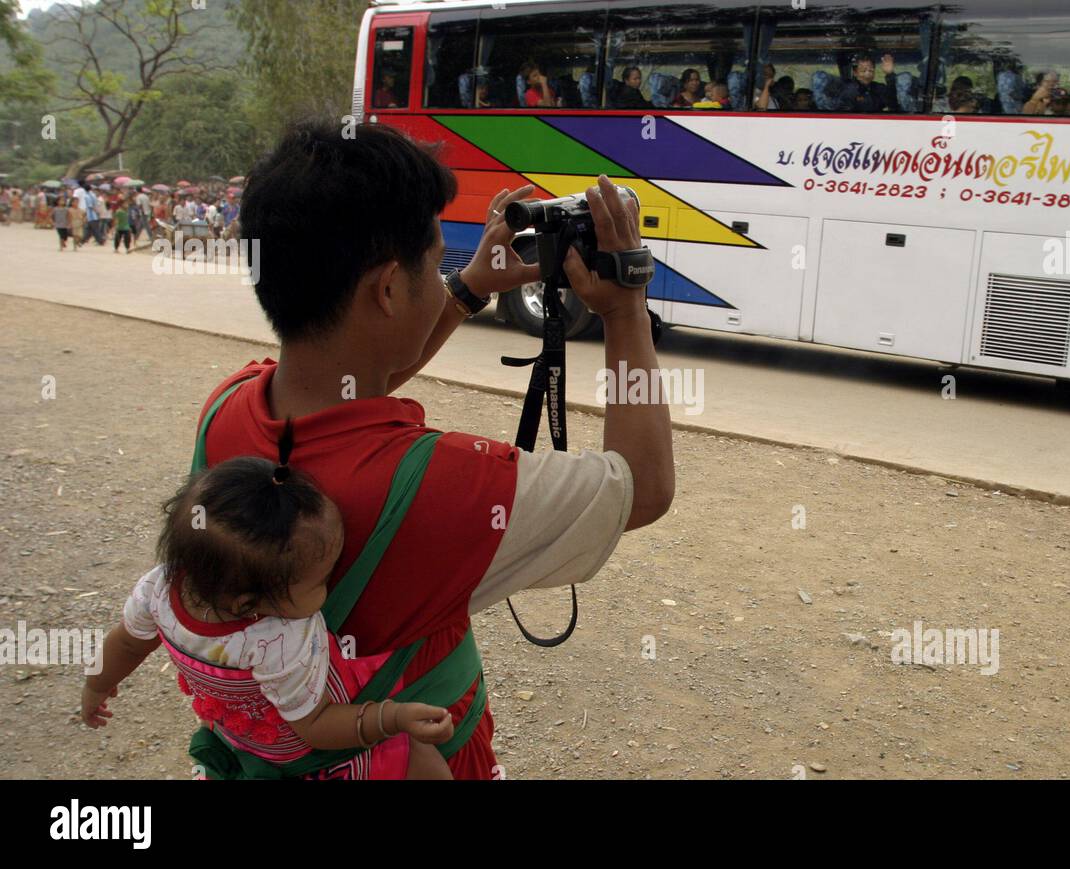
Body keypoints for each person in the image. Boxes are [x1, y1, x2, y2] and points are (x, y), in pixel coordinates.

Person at [174, 120, 673, 780]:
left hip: (258, 757)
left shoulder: (230, 406)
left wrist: (468, 290)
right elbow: (641, 486)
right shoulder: (441, 484)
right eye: (436, 265)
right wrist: (626, 309)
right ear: (387, 290)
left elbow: (351, 388)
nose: (444, 279)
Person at [83, 441, 457, 779]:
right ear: (248, 604)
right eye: (322, 581)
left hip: (236, 732)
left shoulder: (159, 587)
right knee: (422, 763)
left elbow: (128, 644)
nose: (333, 585)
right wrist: (392, 718)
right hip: (301, 748)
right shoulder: (281, 640)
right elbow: (316, 724)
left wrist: (96, 684)